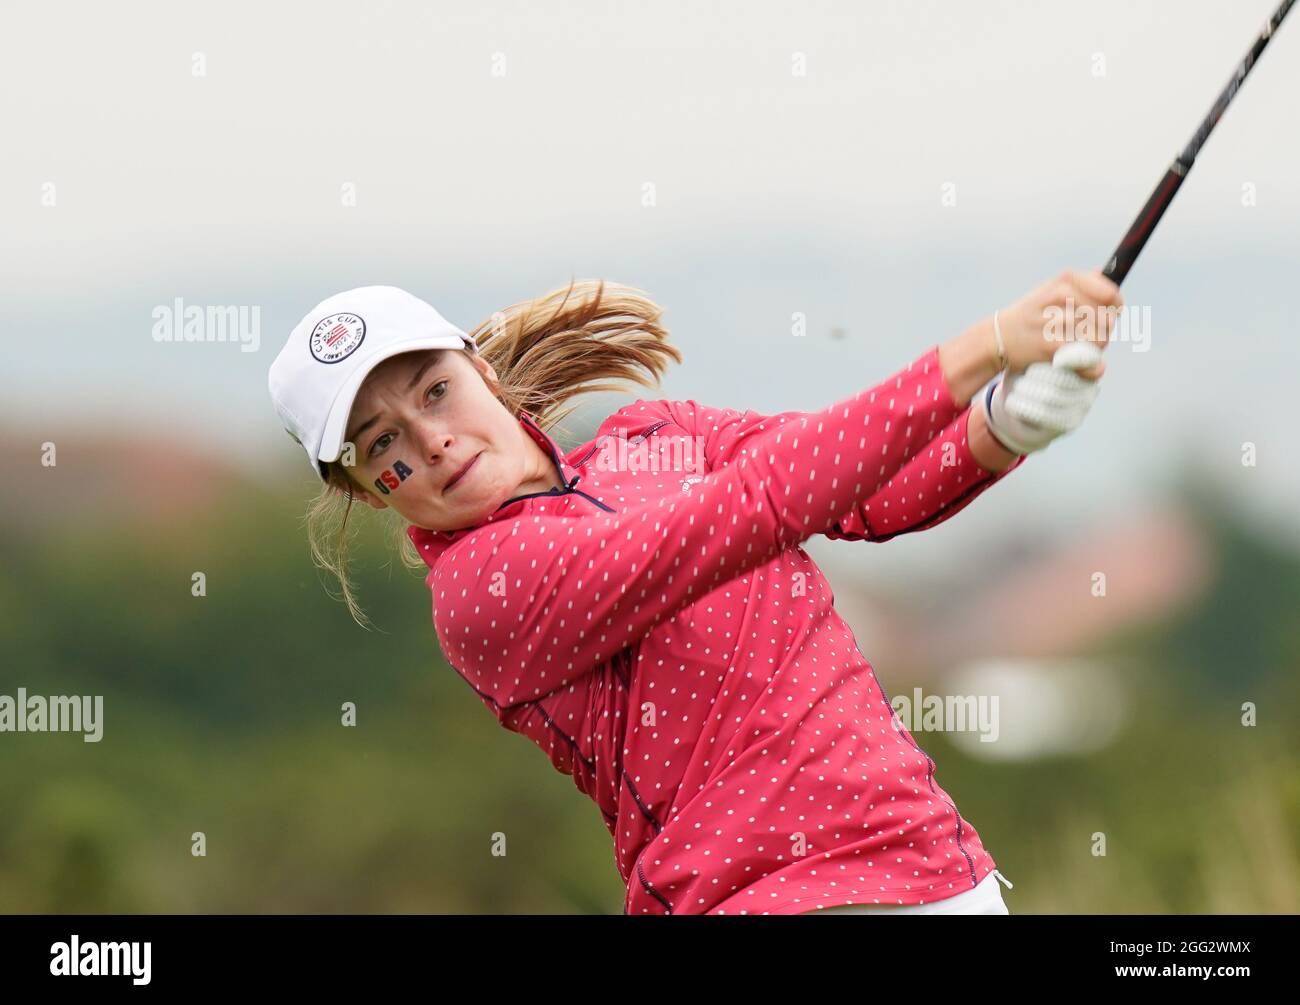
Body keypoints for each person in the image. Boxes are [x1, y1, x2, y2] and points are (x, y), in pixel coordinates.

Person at [267, 272, 1121, 915]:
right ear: (370, 486)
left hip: (937, 874)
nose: (434, 437)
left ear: (479, 368)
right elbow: (751, 509)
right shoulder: (484, 590)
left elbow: (859, 488)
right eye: (386, 441)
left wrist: (1007, 421)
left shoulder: (656, 435)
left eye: (435, 390)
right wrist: (984, 348)